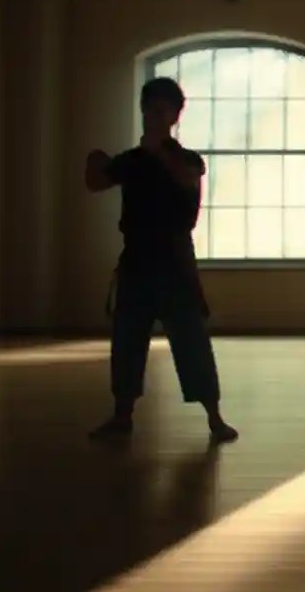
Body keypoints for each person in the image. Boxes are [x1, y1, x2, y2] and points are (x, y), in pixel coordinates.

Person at [84, 77, 237, 443]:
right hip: (137, 259)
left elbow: (187, 180)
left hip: (174, 262)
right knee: (127, 341)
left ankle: (215, 418)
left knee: (191, 341)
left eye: (161, 110)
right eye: (149, 109)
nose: (153, 116)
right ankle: (122, 415)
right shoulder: (132, 161)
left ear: (174, 116)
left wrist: (159, 153)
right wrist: (95, 159)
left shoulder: (187, 160)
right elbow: (95, 182)